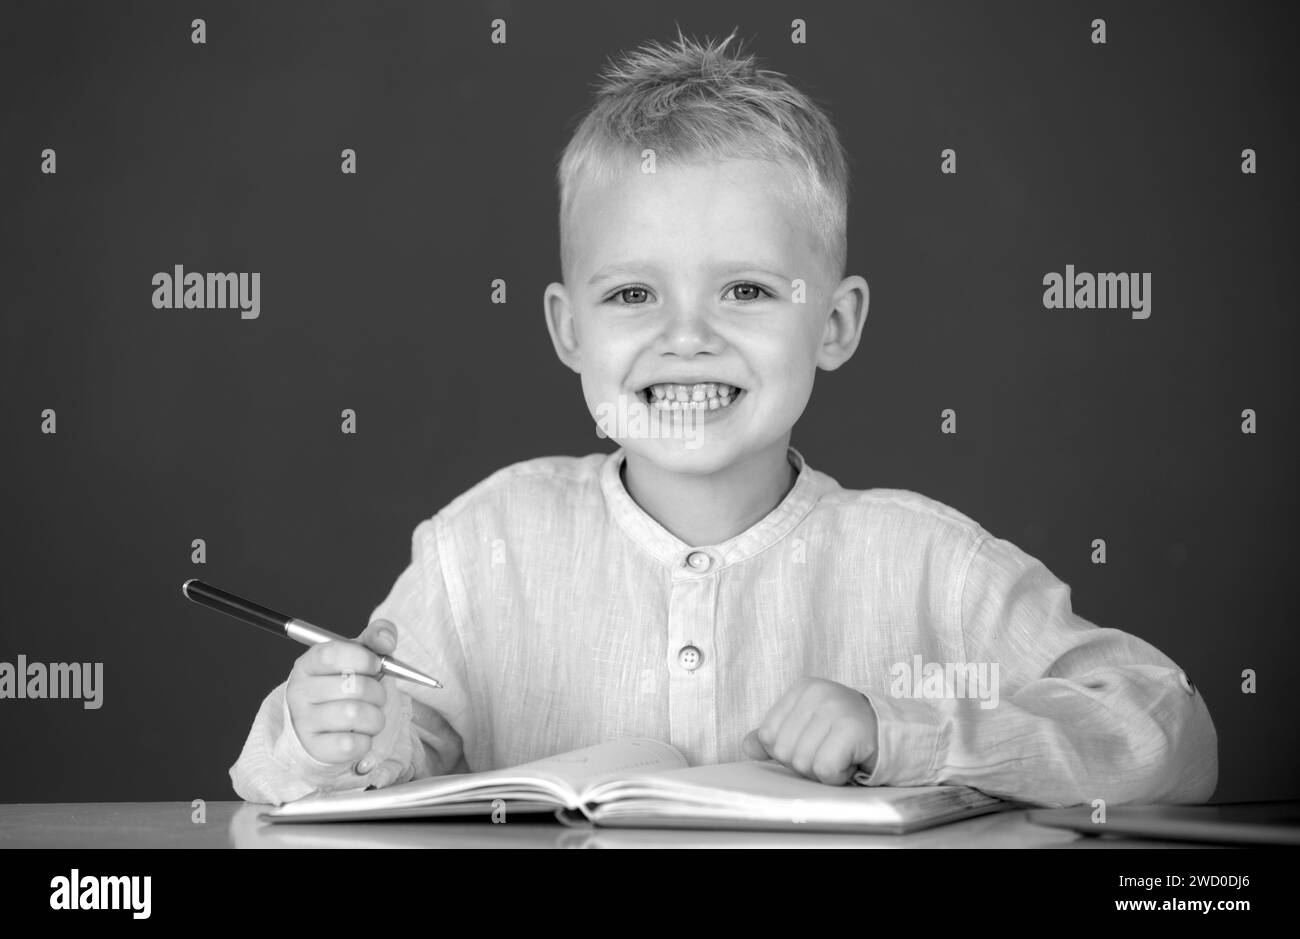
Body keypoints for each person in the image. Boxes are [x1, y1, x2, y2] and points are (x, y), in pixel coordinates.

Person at [230, 29, 1217, 808]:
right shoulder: (483, 547)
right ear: (567, 330)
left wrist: (899, 732)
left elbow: (1169, 732)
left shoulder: (926, 566)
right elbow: (329, 770)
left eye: (744, 289)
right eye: (631, 297)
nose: (686, 336)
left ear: (833, 324)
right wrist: (338, 727)